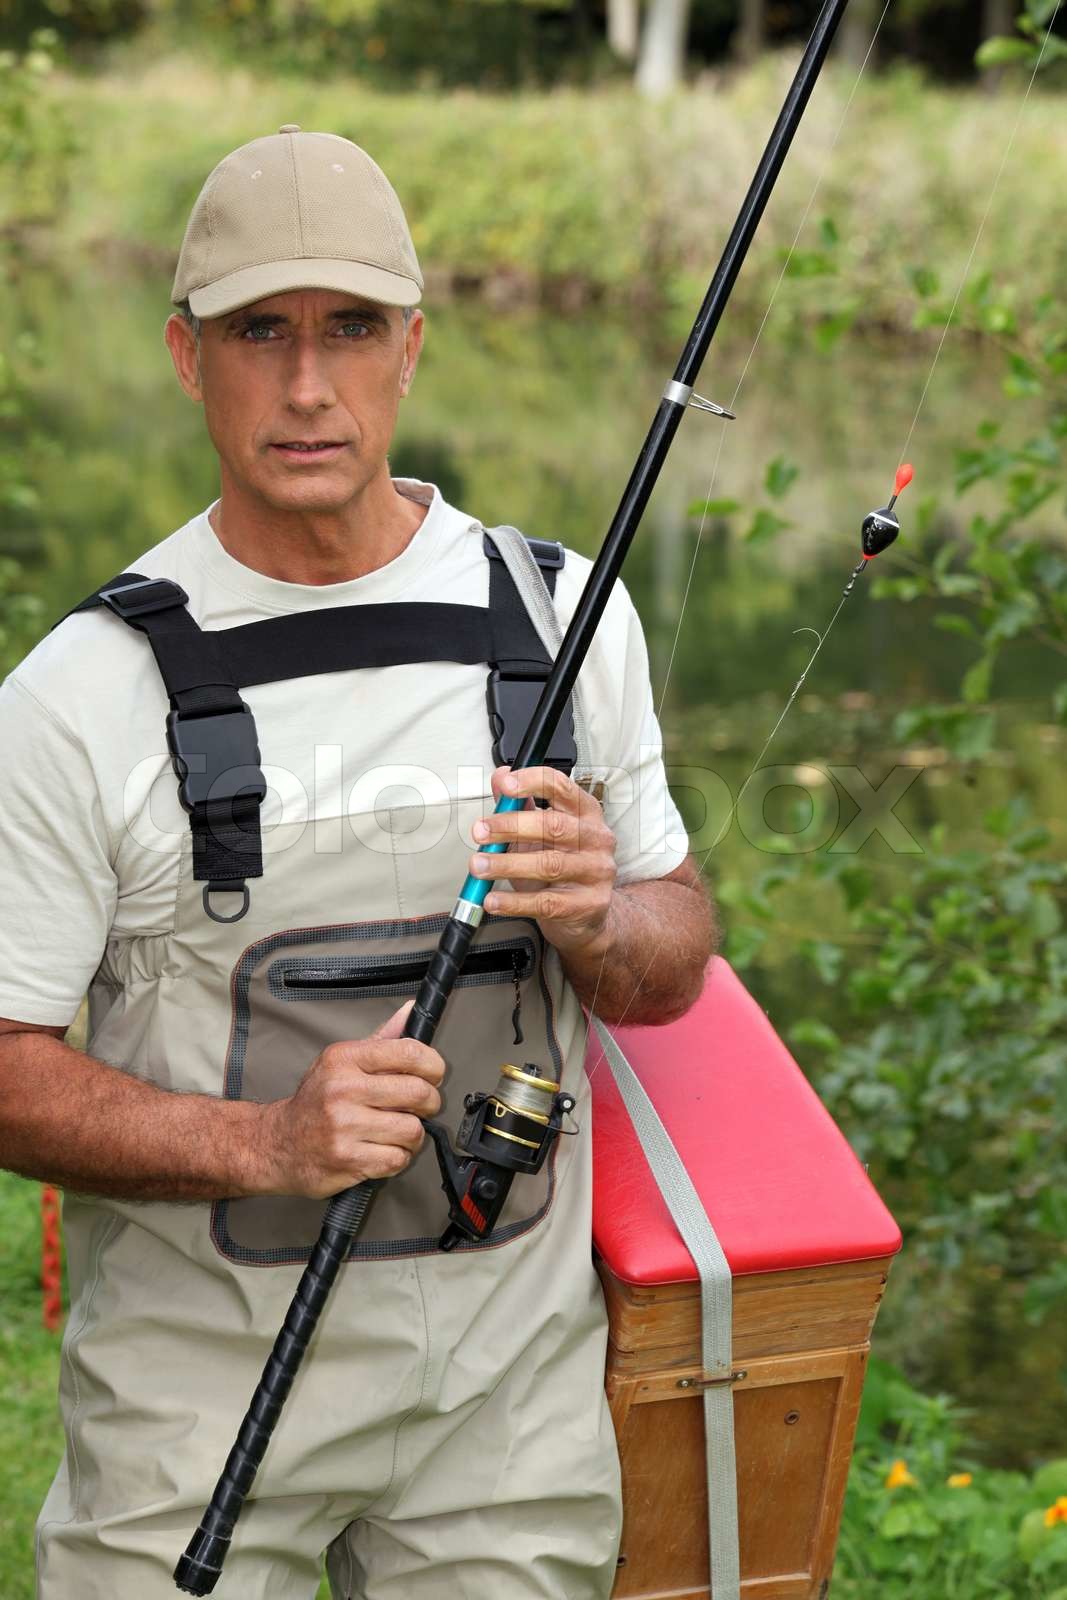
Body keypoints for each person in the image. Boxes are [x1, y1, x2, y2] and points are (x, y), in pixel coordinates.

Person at [0, 126, 715, 1599]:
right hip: (191, 1424)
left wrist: (597, 913)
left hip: (506, 1418)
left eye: (351, 331)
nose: (309, 385)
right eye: (261, 332)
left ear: (416, 348)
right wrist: (263, 1147)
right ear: (188, 354)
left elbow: (672, 956)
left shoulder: (567, 615)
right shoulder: (80, 690)